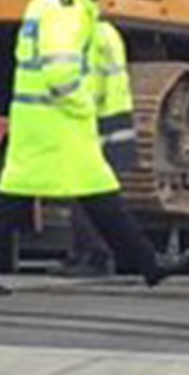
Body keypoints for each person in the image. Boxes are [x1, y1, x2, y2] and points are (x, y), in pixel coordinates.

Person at [0, 0, 169, 296]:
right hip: (59, 121)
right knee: (99, 192)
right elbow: (60, 67)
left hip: (38, 120)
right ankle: (147, 264)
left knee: (18, 196)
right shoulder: (66, 7)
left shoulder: (51, 2)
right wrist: (81, 104)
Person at [56, 14, 139, 278]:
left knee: (85, 189)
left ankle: (94, 256)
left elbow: (78, 82)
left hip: (91, 118)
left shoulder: (85, 36)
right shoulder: (108, 33)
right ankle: (89, 254)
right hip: (111, 115)